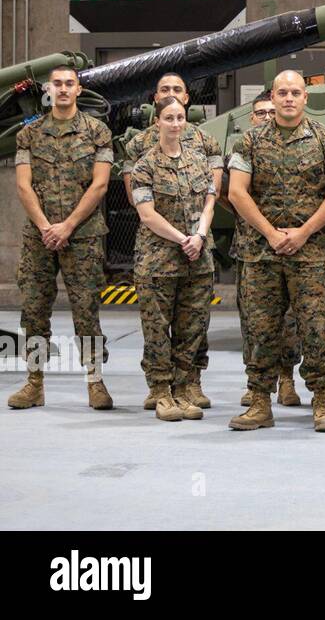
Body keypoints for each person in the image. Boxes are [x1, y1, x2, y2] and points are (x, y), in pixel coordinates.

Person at [226, 70, 325, 433]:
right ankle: (260, 403)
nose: (289, 98)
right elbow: (236, 193)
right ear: (273, 97)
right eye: (282, 92)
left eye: (296, 92)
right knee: (262, 330)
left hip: (311, 254)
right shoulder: (248, 141)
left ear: (305, 98)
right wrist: (270, 234)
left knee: (316, 329)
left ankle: (323, 403)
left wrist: (303, 232)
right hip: (261, 254)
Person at [8, 65, 114, 411]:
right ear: (48, 90)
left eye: (70, 83)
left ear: (79, 90)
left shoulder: (98, 132)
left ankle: (95, 380)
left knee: (87, 309)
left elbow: (100, 185)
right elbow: (23, 186)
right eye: (58, 84)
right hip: (39, 236)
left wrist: (67, 226)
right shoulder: (29, 135)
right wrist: (45, 227)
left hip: (83, 235)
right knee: (34, 310)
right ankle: (34, 382)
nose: (64, 89)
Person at [121, 71, 224, 409]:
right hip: (158, 257)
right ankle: (161, 391)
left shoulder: (199, 155)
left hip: (196, 255)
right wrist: (185, 238)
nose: (176, 123)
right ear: (157, 116)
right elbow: (144, 211)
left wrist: (200, 236)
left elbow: (211, 197)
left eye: (180, 116)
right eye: (169, 117)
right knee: (156, 328)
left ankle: (184, 387)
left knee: (192, 326)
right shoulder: (143, 160)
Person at [225, 93, 303, 409]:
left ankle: (286, 379)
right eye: (261, 112)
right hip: (252, 247)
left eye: (273, 111)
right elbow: (229, 194)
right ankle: (257, 382)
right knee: (254, 319)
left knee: (289, 319)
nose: (268, 116)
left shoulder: (299, 146)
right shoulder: (245, 147)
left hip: (292, 243)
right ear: (252, 118)